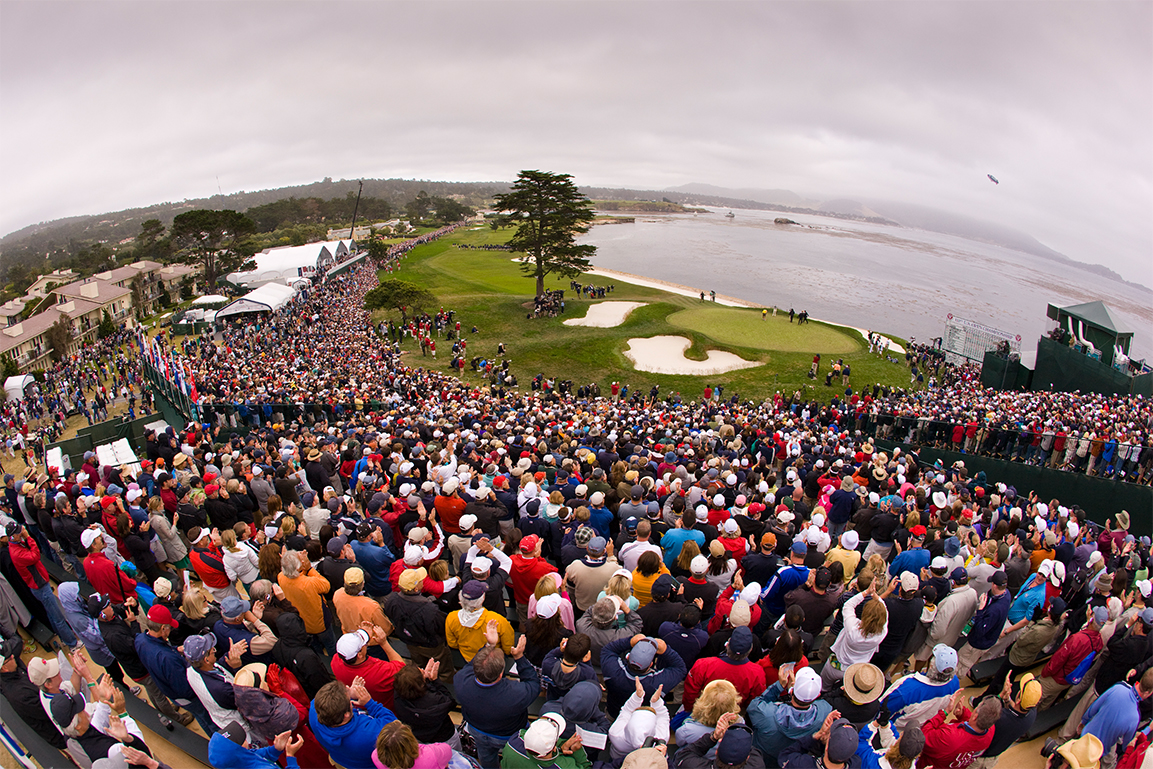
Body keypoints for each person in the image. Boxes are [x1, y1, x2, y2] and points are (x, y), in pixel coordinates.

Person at [455, 623, 539, 769]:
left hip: (477, 729)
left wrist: (489, 645)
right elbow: (534, 684)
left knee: (486, 755)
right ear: (501, 674)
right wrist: (519, 657)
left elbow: (471, 665)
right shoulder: (515, 694)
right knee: (514, 755)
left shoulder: (461, 680)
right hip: (508, 735)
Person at [309, 679, 396, 769]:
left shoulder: (313, 710)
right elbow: (394, 725)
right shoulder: (369, 734)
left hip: (341, 761)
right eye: (350, 702)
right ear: (346, 715)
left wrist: (349, 694)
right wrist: (370, 703)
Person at [747, 667, 833, 756]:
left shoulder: (766, 713)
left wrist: (778, 686)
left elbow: (753, 705)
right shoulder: (825, 711)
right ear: (817, 695)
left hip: (763, 758)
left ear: (791, 691)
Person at [1080, 669, 1153, 769]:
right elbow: (1126, 746)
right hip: (1097, 753)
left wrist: (1083, 722)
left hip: (1084, 737)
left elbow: (1093, 709)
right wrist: (1148, 729)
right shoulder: (1135, 718)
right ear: (1148, 692)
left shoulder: (1118, 687)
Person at [970, 674, 1042, 769]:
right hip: (993, 758)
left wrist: (1001, 695)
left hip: (977, 757)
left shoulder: (999, 718)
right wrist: (1007, 700)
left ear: (1019, 698)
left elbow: (980, 714)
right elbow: (1016, 711)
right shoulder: (1032, 714)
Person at [918, 692, 1001, 769]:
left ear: (975, 716)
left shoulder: (950, 738)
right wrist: (963, 714)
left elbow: (922, 736)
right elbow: (977, 722)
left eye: (975, 709)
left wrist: (945, 712)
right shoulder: (990, 729)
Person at [331, 623, 407, 709]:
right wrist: (384, 643)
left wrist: (365, 634)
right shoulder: (379, 672)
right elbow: (402, 669)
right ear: (359, 654)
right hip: (383, 708)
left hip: (360, 706)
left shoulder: (336, 661)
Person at [675, 712, 766, 769]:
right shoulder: (757, 764)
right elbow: (752, 750)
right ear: (748, 758)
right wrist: (734, 737)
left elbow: (683, 755)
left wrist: (713, 737)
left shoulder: (695, 766)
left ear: (716, 752)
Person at [502, 711, 589, 769]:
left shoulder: (513, 743)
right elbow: (586, 767)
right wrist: (577, 752)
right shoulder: (564, 766)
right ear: (554, 748)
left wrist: (560, 749)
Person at [207, 719, 305, 769]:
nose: (245, 739)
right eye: (241, 740)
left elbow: (258, 754)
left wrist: (276, 748)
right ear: (237, 752)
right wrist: (290, 757)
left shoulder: (242, 759)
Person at [780, 712, 862, 769]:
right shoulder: (856, 763)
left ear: (827, 748)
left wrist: (815, 736)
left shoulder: (802, 764)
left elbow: (784, 756)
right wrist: (824, 743)